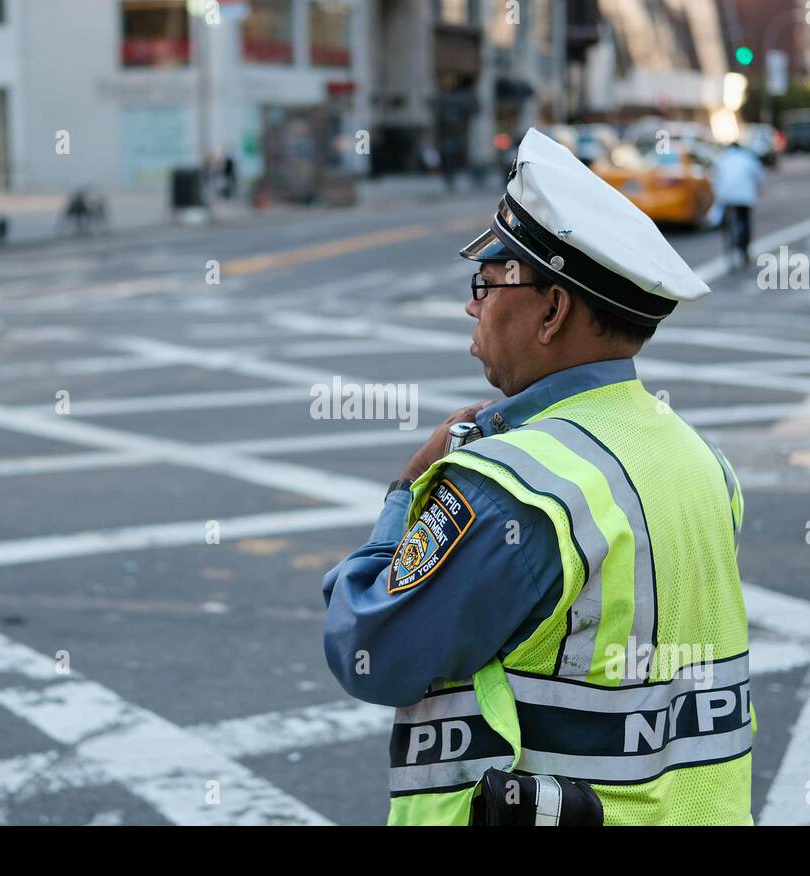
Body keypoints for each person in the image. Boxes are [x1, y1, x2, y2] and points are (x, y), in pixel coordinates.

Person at [322, 128, 754, 826]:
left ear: (552, 310)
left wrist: (408, 489)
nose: (474, 304)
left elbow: (368, 649)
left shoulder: (511, 487)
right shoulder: (703, 462)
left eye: (489, 282)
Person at [711, 140, 765, 268]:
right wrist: (759, 188)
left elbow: (716, 179)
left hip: (726, 196)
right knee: (745, 221)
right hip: (744, 197)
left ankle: (727, 233)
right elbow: (759, 176)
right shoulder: (747, 157)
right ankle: (744, 250)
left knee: (725, 219)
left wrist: (718, 193)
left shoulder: (722, 158)